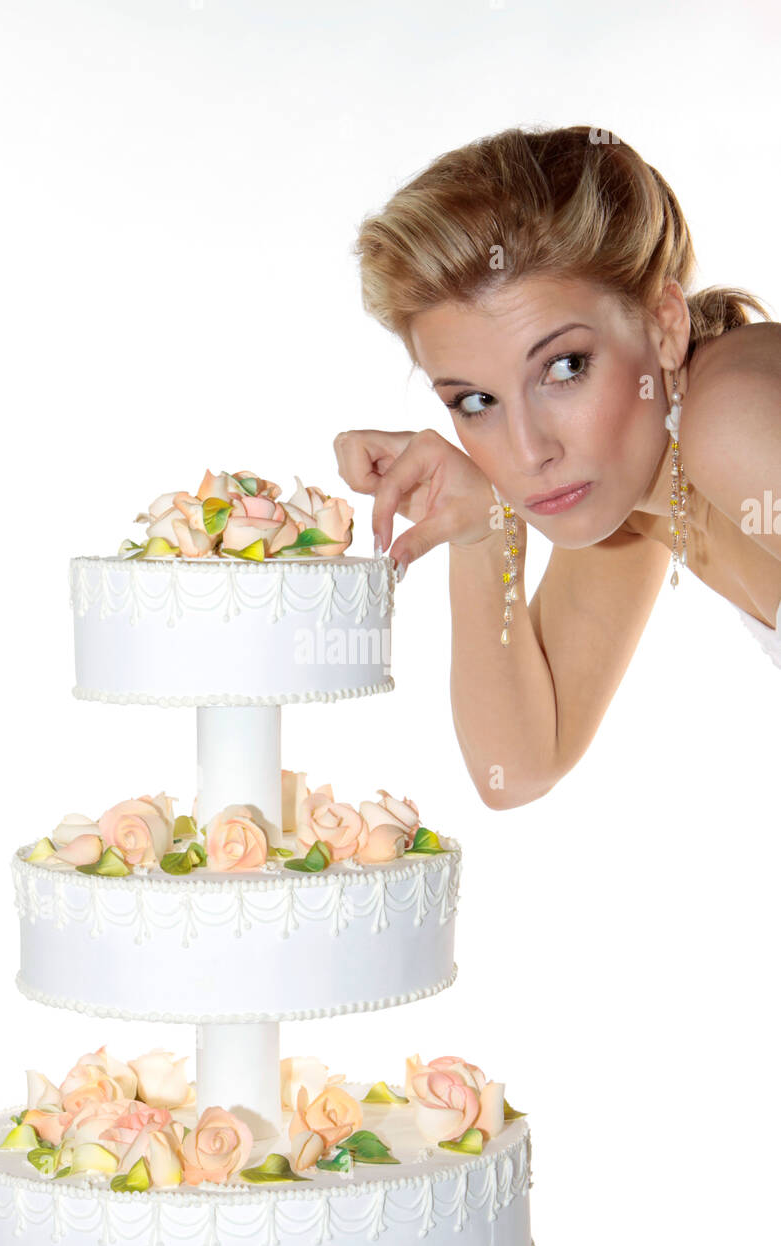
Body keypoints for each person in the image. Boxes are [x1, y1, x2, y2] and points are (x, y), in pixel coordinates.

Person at [333, 126, 780, 810]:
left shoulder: (732, 420)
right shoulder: (633, 501)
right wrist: (485, 532)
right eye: (476, 401)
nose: (527, 452)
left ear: (663, 326)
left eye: (565, 368)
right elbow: (517, 766)